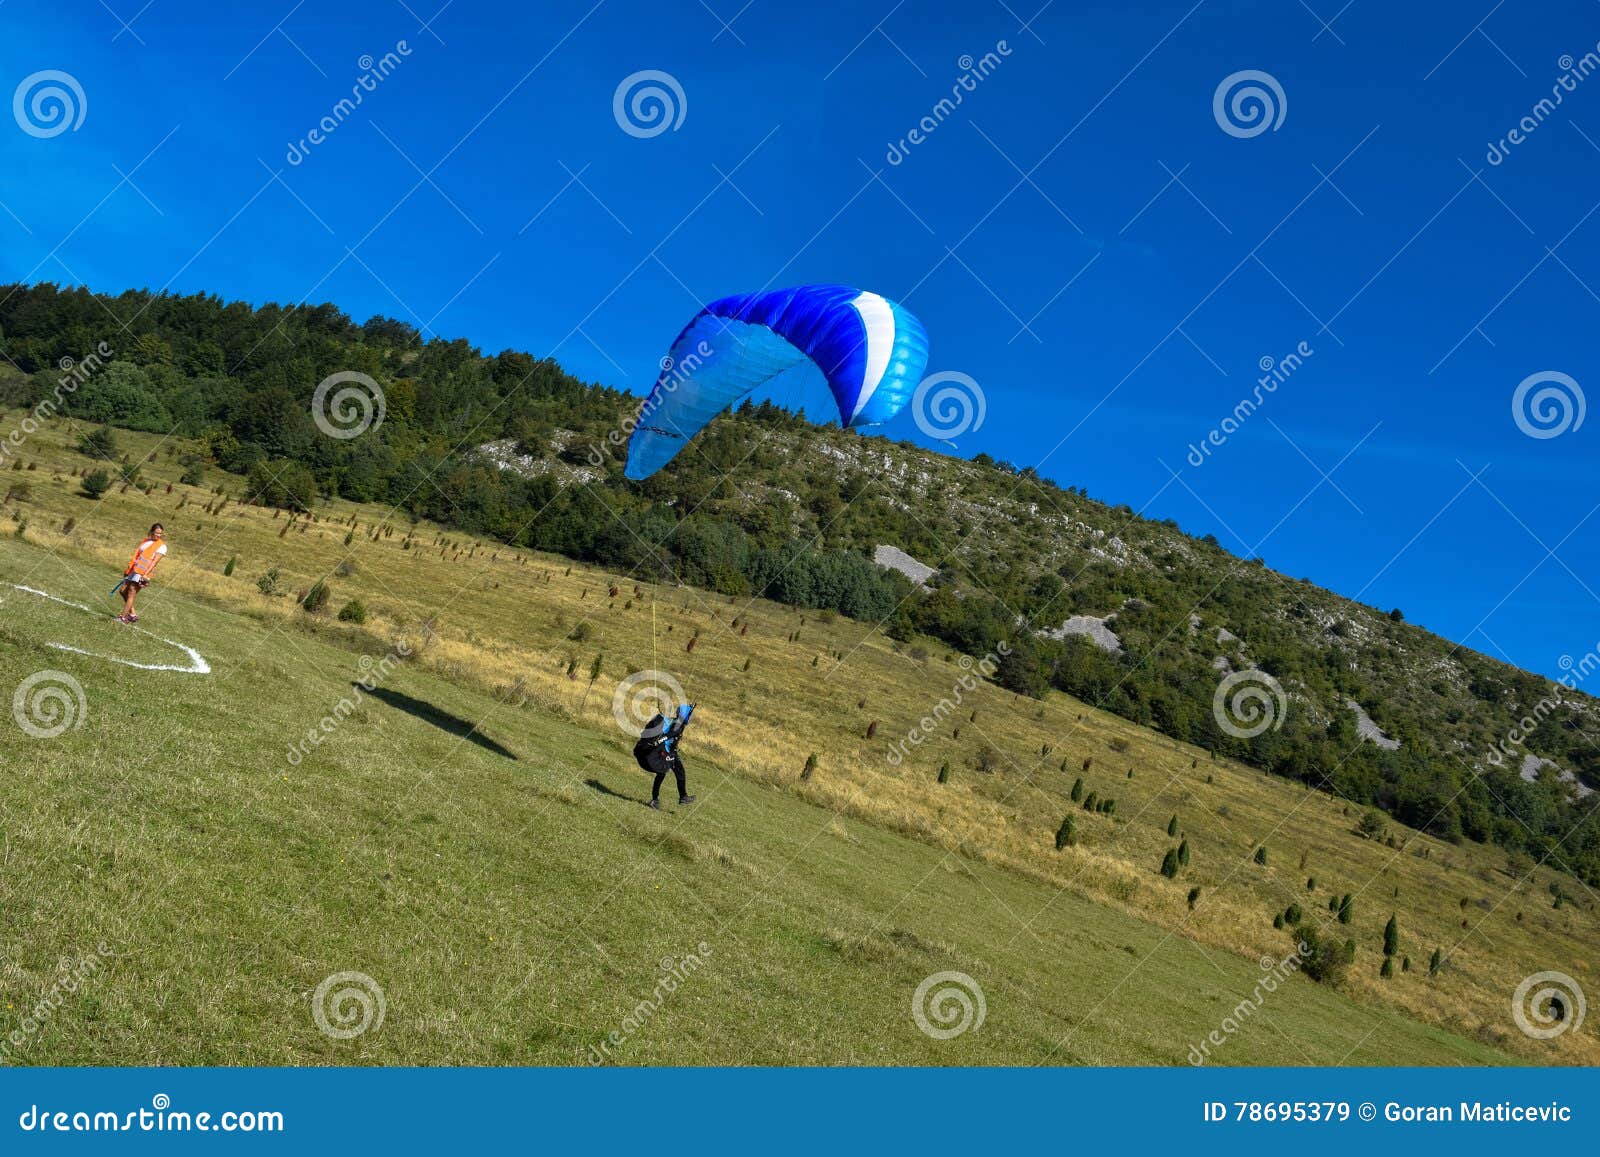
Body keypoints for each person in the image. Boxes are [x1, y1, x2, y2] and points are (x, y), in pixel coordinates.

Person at [633, 703, 696, 810]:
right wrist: (658, 742)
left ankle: (656, 799)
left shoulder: (677, 722)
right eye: (689, 716)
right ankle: (681, 797)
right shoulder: (678, 724)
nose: (690, 718)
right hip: (667, 751)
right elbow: (669, 735)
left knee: (664, 773)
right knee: (673, 772)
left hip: (668, 751)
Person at [117, 523, 166, 623]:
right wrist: (129, 569)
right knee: (122, 591)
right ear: (152, 531)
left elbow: (154, 562)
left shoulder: (162, 546)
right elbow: (138, 555)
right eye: (157, 533)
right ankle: (132, 614)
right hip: (134, 570)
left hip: (143, 573)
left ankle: (122, 617)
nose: (159, 535)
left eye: (160, 534)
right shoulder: (146, 541)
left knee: (131, 592)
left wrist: (145, 575)